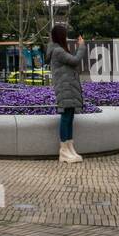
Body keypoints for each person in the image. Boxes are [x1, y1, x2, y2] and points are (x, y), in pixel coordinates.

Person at [46, 24, 86, 164]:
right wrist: (81, 46)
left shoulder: (59, 50)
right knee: (66, 117)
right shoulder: (57, 51)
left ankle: (69, 147)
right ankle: (63, 151)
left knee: (69, 117)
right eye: (65, 34)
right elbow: (75, 60)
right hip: (65, 88)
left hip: (68, 88)